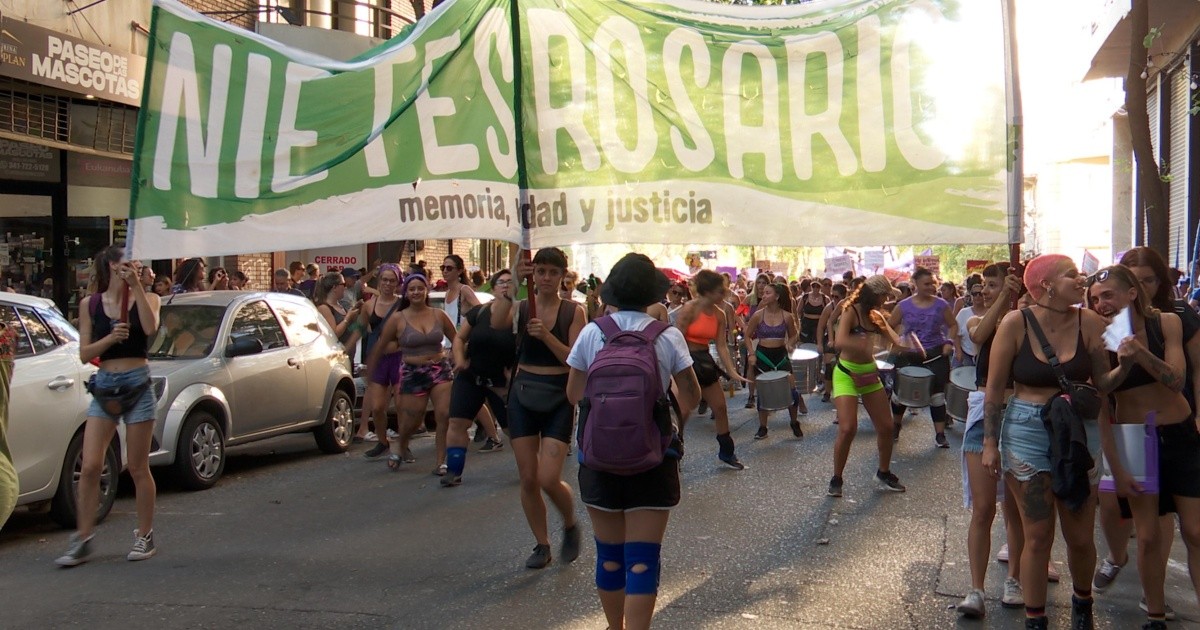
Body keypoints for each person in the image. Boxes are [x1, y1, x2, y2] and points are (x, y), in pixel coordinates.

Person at [565, 253, 700, 630]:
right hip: (654, 457)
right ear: (652, 294)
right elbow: (692, 396)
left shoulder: (593, 333)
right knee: (642, 559)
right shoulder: (667, 336)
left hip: (598, 457)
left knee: (610, 557)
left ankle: (615, 627)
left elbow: (573, 394)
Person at [981, 254, 1110, 630]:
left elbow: (1104, 384)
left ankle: (1082, 604)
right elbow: (994, 388)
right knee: (1037, 535)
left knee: (1080, 536)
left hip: (1077, 431)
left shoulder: (1090, 322)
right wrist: (990, 443)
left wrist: (1133, 359)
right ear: (1047, 285)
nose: (1081, 279)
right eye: (1071, 275)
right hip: (1026, 429)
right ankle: (1035, 619)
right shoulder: (1014, 323)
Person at [1090, 265, 1200, 626]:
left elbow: (1176, 380)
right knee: (1149, 535)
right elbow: (1102, 399)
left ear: (1132, 293)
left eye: (1108, 295)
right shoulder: (1097, 338)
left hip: (1179, 432)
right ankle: (1155, 615)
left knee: (1196, 531)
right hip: (1133, 438)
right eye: (1095, 298)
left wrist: (1140, 353)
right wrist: (1116, 467)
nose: (1101, 303)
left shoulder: (1166, 322)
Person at [57, 245, 162, 566]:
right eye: (129, 262)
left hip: (137, 383)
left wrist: (137, 287)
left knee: (138, 466)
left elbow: (150, 328)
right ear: (113, 267)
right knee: (90, 465)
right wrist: (111, 339)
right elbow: (85, 354)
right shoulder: (90, 304)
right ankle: (83, 537)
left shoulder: (148, 297)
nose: (136, 266)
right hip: (105, 385)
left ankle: (145, 534)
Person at [955, 263, 1027, 617]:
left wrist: (1017, 302)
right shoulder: (973, 319)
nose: (984, 290)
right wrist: (1002, 299)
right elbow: (980, 336)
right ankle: (976, 589)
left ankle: (1014, 578)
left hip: (1022, 415)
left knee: (1016, 509)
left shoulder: (1027, 322)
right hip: (983, 413)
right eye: (983, 284)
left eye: (993, 284)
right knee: (984, 509)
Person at [508, 247, 586, 569]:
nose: (546, 278)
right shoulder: (522, 306)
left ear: (562, 276)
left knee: (548, 478)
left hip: (558, 396)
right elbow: (497, 319)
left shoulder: (574, 312)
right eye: (540, 271)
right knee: (528, 478)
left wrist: (547, 336)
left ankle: (569, 523)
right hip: (523, 393)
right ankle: (542, 544)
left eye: (553, 272)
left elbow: (575, 360)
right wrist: (514, 281)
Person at [368, 274, 455, 474]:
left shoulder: (439, 314)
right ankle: (401, 445)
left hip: (439, 368)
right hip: (412, 371)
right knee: (413, 420)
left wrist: (458, 357)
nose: (416, 292)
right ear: (406, 293)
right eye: (412, 289)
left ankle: (441, 462)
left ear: (426, 291)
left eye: (420, 288)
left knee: (444, 414)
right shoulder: (398, 318)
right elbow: (380, 346)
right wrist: (371, 371)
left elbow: (456, 338)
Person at [828, 275, 906, 497]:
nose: (885, 300)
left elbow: (895, 340)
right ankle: (836, 478)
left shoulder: (876, 315)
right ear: (874, 294)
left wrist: (910, 344)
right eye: (883, 296)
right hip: (846, 374)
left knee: (887, 427)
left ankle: (883, 472)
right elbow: (839, 342)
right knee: (847, 428)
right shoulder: (850, 311)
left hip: (869, 374)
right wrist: (859, 343)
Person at [442, 269, 518, 486]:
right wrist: (459, 360)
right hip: (471, 377)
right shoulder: (479, 312)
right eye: (501, 282)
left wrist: (514, 375)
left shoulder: (521, 316)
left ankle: (531, 470)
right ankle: (453, 471)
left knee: (514, 430)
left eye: (510, 282)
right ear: (493, 289)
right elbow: (459, 339)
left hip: (502, 383)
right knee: (457, 422)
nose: (505, 286)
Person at [674, 270, 750, 469]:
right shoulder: (690, 309)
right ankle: (673, 453)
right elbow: (677, 339)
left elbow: (722, 345)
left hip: (704, 360)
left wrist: (732, 371)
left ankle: (726, 452)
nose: (724, 294)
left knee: (720, 407)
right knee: (684, 411)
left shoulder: (719, 313)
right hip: (686, 360)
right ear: (707, 292)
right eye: (719, 291)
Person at [887, 266, 960, 448]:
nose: (931, 287)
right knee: (900, 393)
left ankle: (940, 435)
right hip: (908, 355)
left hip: (935, 354)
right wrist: (900, 340)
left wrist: (949, 342)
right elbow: (888, 327)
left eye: (933, 283)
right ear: (916, 284)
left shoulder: (941, 305)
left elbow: (953, 325)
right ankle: (896, 425)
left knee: (937, 395)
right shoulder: (903, 306)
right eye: (927, 284)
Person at [744, 282, 804, 439]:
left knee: (792, 389)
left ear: (777, 296)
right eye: (763, 293)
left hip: (781, 355)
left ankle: (794, 422)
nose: (763, 296)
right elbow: (747, 336)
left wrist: (790, 344)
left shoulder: (787, 316)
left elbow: (794, 334)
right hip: (763, 355)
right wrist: (751, 353)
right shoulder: (758, 315)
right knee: (763, 392)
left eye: (767, 293)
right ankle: (763, 427)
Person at [355, 264, 404, 453]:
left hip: (399, 358)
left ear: (397, 283)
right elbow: (359, 329)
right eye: (384, 279)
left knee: (400, 404)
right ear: (379, 281)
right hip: (378, 360)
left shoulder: (403, 304)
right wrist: (346, 346)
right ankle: (383, 441)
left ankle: (403, 445)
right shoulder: (369, 305)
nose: (387, 284)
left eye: (392, 280)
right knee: (377, 407)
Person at [815, 283, 847, 403]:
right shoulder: (829, 307)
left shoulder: (849, 306)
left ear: (844, 296)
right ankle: (827, 392)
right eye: (832, 296)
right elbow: (821, 326)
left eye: (836, 297)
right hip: (831, 338)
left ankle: (843, 391)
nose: (834, 299)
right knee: (829, 366)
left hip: (845, 339)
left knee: (844, 366)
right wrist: (820, 344)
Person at [314, 271, 363, 348]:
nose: (345, 288)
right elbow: (334, 334)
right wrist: (348, 318)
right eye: (343, 284)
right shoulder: (324, 308)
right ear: (334, 288)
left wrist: (355, 311)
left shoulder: (341, 305)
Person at [955, 277, 987, 367]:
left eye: (980, 294)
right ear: (971, 296)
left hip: (985, 356)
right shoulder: (963, 313)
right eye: (974, 294)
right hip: (966, 355)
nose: (977, 296)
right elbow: (956, 334)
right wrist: (958, 351)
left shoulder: (991, 313)